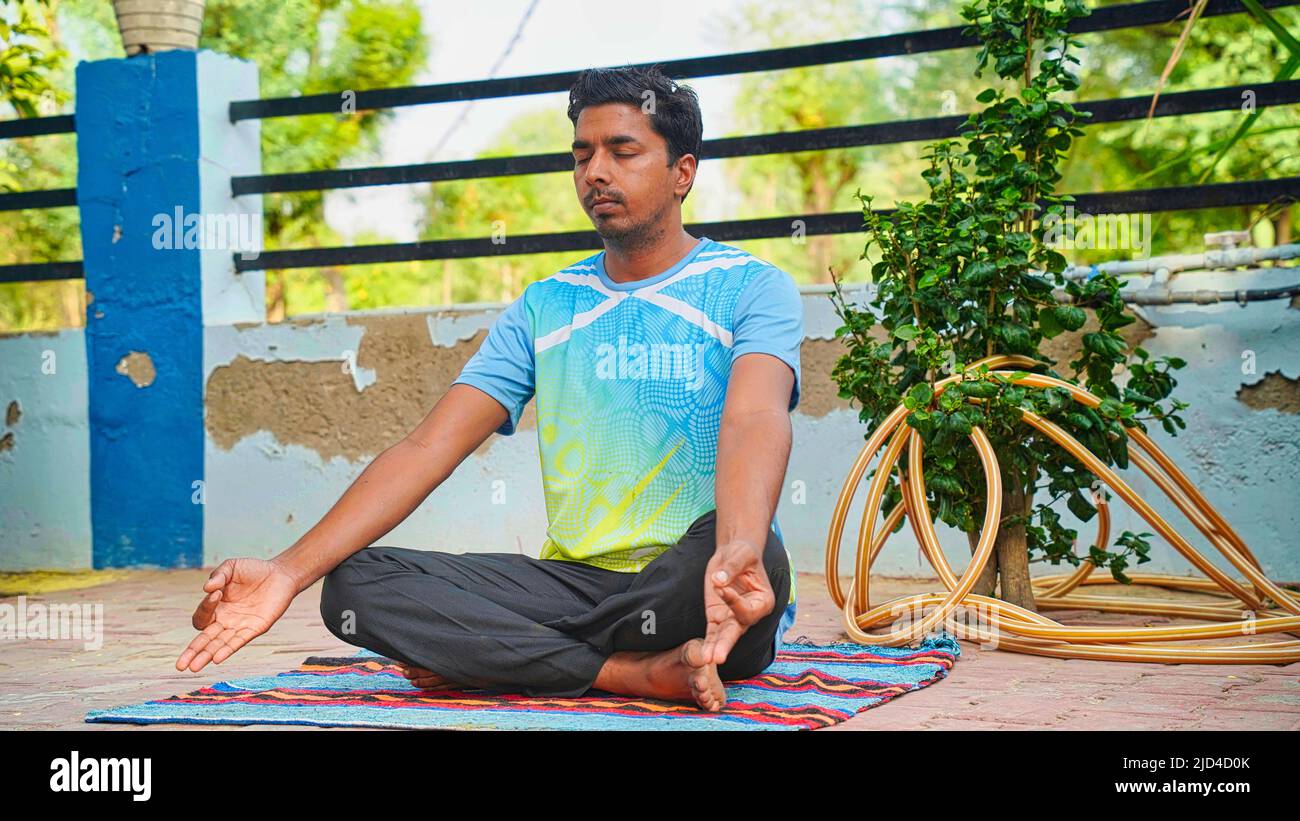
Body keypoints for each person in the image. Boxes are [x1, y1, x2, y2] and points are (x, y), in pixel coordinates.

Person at [174, 64, 804, 713]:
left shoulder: (751, 287)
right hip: (576, 585)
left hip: (699, 582)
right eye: (582, 154)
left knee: (753, 557)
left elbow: (754, 416)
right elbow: (427, 448)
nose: (596, 173)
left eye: (623, 151)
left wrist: (740, 544)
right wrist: (286, 570)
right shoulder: (546, 306)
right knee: (356, 586)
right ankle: (626, 671)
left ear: (682, 172)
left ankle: (503, 652)